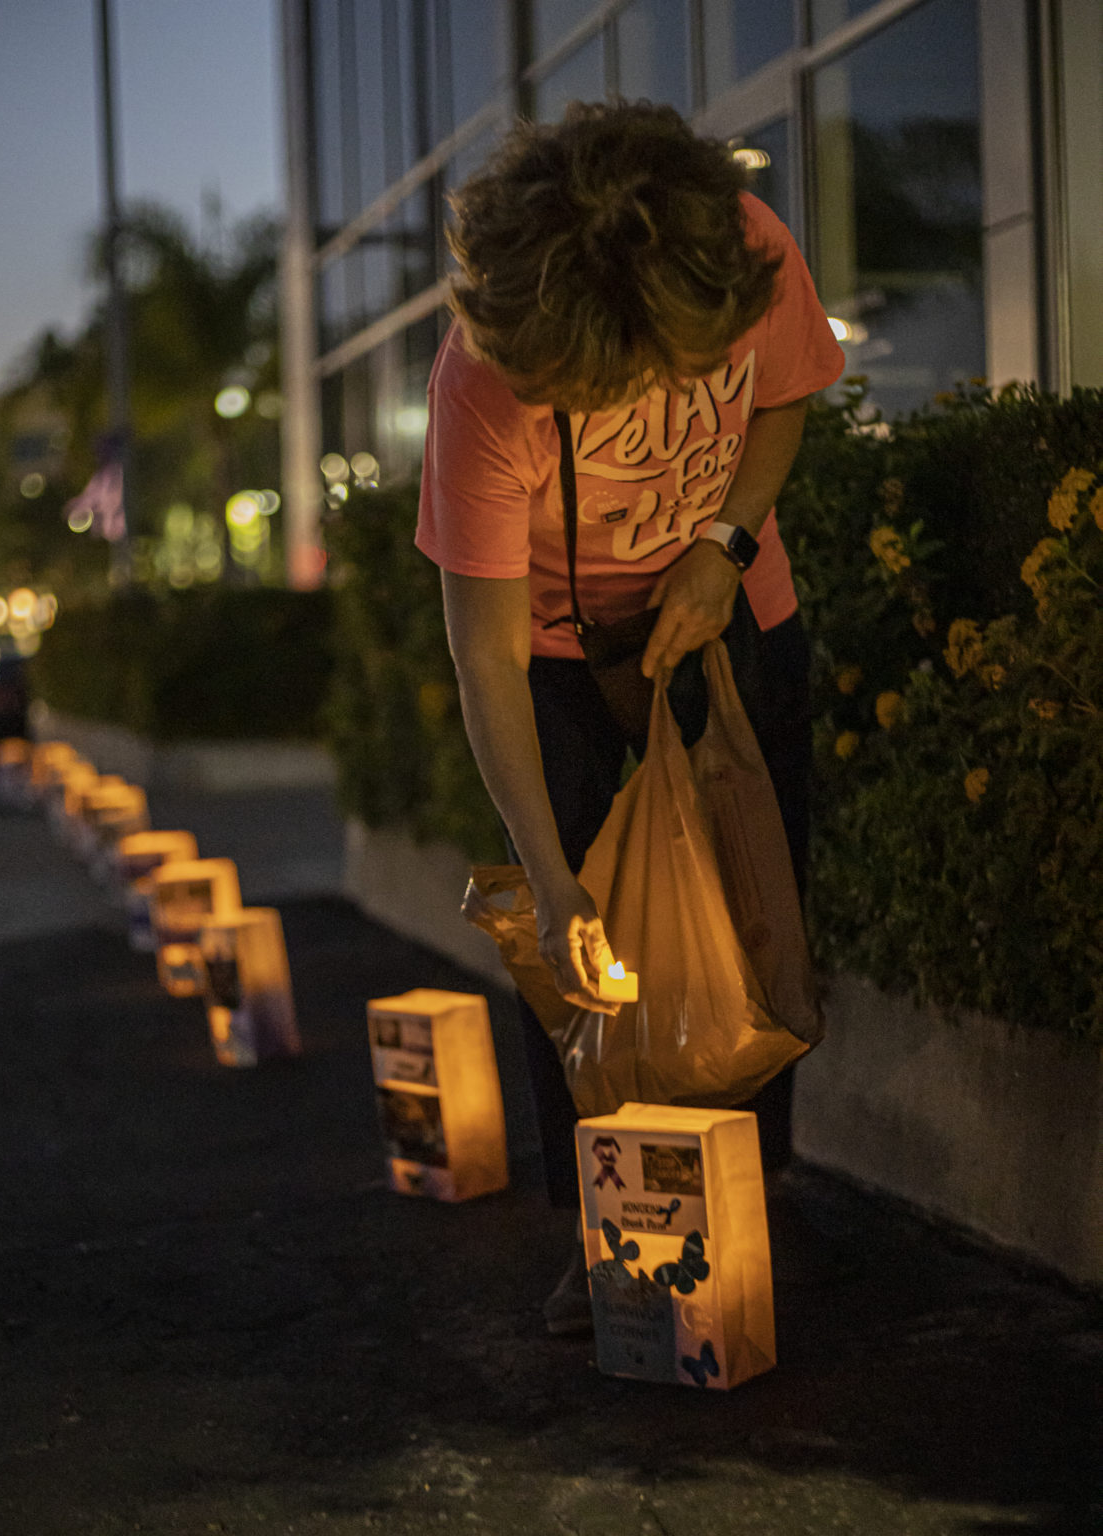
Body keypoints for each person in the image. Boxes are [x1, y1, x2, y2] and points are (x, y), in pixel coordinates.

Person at [415, 102, 845, 1333]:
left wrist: (723, 544)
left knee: (755, 911)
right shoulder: (483, 385)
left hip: (732, 615)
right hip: (557, 657)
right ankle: (608, 1231)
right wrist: (551, 877)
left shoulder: (742, 250)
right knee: (582, 964)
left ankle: (756, 1198)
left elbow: (783, 403)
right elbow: (488, 656)